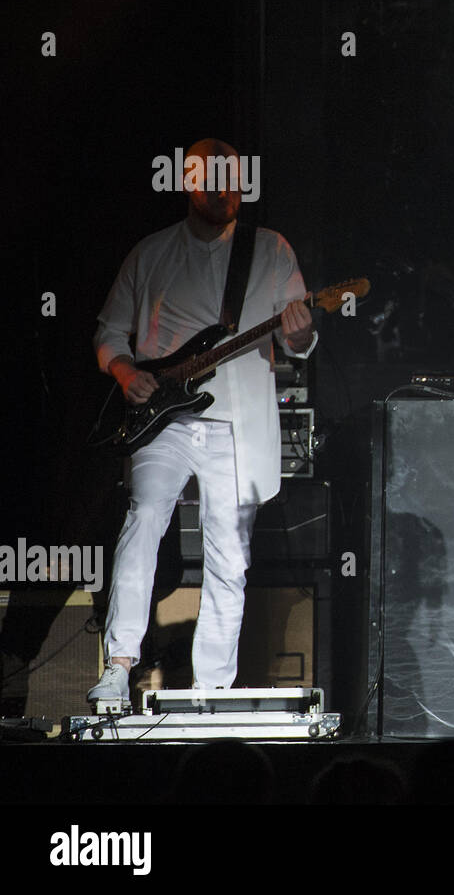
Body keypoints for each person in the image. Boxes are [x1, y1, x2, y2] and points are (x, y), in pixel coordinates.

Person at [87, 138, 317, 706]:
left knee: (229, 552)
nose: (225, 191)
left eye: (233, 180)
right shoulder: (151, 253)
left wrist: (301, 331)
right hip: (161, 419)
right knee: (143, 520)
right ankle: (119, 666)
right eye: (212, 180)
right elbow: (108, 335)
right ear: (188, 182)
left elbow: (301, 340)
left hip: (235, 423)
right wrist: (124, 373)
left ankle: (213, 688)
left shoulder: (270, 250)